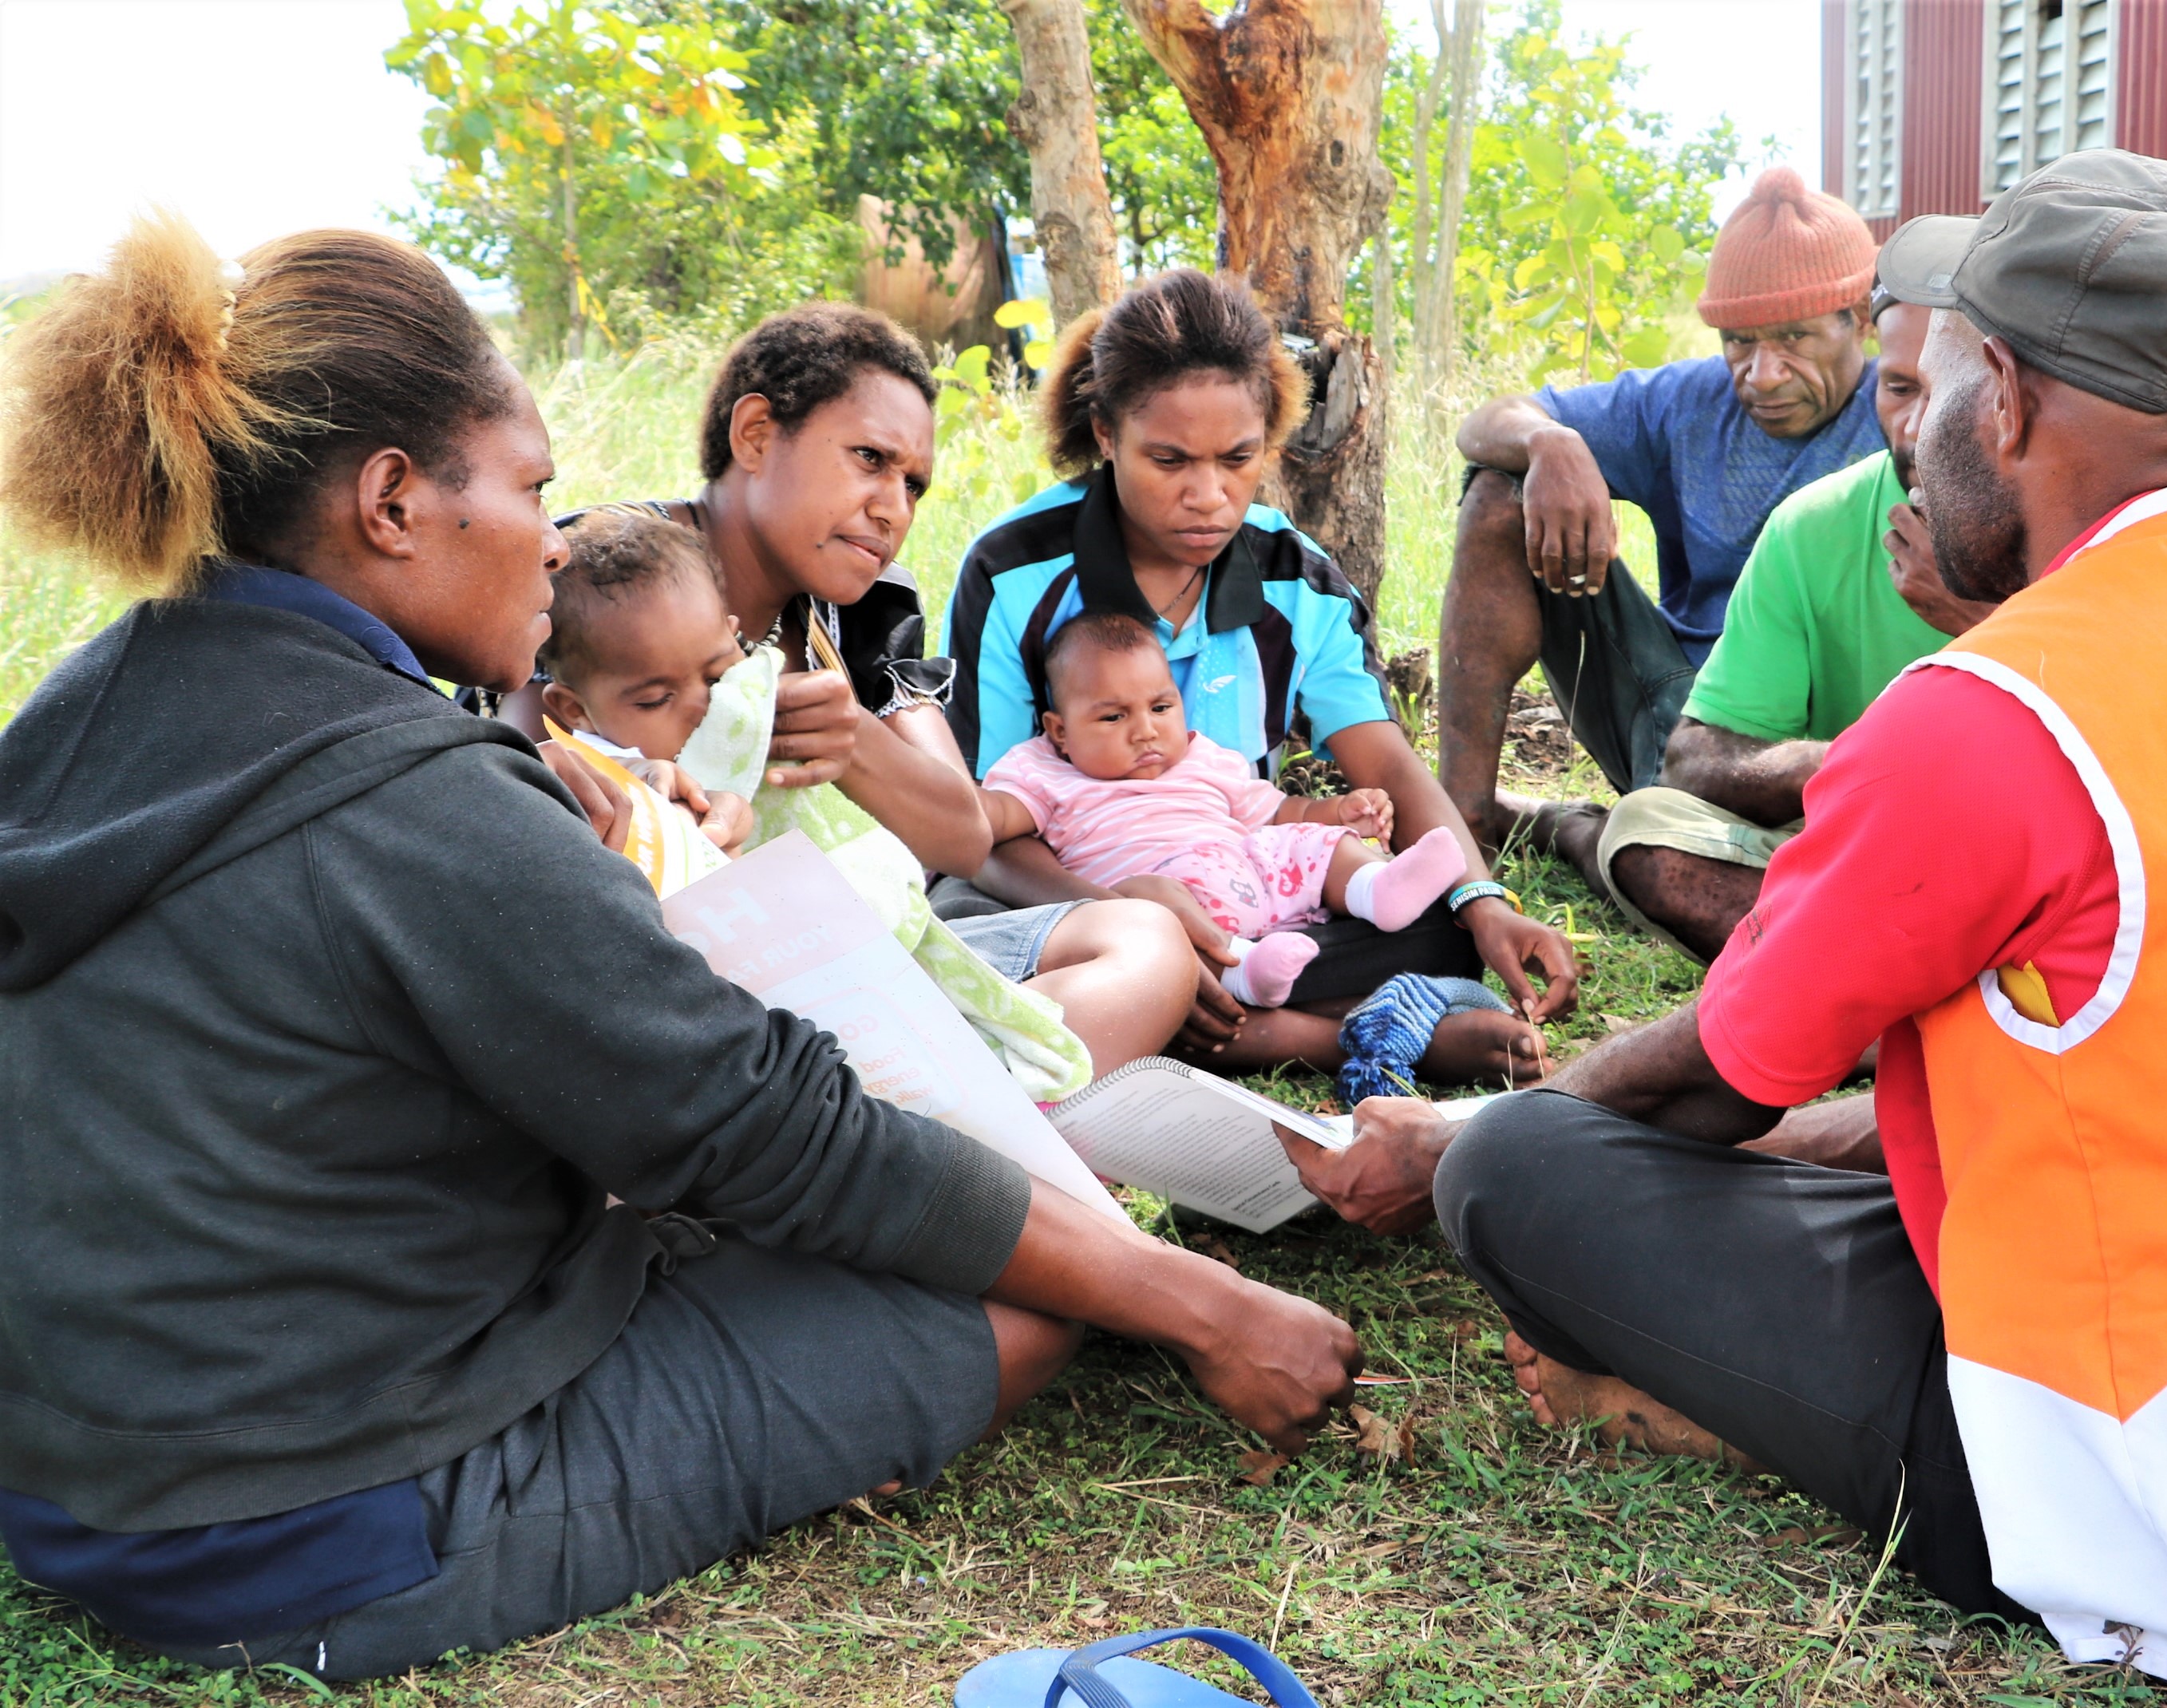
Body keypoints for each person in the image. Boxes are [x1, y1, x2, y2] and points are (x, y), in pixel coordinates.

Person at [0, 214, 1359, 1680]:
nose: (556, 541)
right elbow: (762, 1125)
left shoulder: (93, 707)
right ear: (392, 501)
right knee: (1030, 1294)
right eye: (533, 490)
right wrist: (1207, 1307)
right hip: (307, 1516)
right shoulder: (418, 791)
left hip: (75, 1464)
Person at [1291, 152, 2167, 1706]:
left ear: (2007, 403)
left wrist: (1455, 1134)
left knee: (1521, 1164)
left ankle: (1728, 1408)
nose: (1909, 438)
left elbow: (1708, 1086)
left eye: (1928, 393)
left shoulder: (1994, 711)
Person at [943, 268, 1577, 1083]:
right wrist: (1128, 923)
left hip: (1248, 901)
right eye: (1168, 459)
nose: (1208, 497)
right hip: (1071, 902)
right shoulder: (1012, 572)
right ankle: (1355, 1032)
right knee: (968, 937)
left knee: (1438, 916)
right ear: (1105, 434)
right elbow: (982, 835)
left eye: (1238, 459)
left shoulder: (1297, 578)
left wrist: (1483, 904)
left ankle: (1198, 1011)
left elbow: (1384, 765)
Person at [571, 303, 1201, 1076]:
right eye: (870, 458)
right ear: (757, 434)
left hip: (869, 954)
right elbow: (533, 770)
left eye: (914, 486)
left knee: (1148, 942)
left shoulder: (870, 608)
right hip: (690, 987)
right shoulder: (607, 567)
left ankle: (933, 1137)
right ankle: (959, 1144)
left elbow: (962, 835)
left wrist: (854, 741)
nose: (893, 508)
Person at [542, 505, 1096, 1099]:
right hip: (747, 1060)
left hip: (870, 993)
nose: (704, 706)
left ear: (736, 637)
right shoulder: (597, 788)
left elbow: (951, 846)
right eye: (655, 699)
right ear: (574, 711)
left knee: (1140, 948)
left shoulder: (814, 673)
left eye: (719, 671)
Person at [1435, 167, 1888, 885]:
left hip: (1814, 755)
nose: (1763, 373)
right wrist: (1551, 445)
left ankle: (1579, 832)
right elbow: (1488, 420)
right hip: (1677, 719)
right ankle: (1462, 822)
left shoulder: (1903, 413)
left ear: (1861, 320)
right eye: (1739, 340)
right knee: (1499, 489)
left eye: (1795, 337)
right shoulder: (1686, 403)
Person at [1593, 290, 1998, 960]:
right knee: (1647, 833)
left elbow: (2117, 756)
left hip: (2038, 855)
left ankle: (1867, 983)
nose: (1918, 426)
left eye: (1954, 390)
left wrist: (1976, 622)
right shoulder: (1815, 524)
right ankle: (1880, 988)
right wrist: (1854, 764)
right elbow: (1695, 760)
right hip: (1863, 852)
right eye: (1899, 388)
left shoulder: (2080, 520)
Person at [981, 612, 1471, 1010]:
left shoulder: (1204, 758)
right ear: (1060, 730)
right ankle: (1245, 972)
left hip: (1251, 874)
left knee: (1309, 843)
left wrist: (1340, 811)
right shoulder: (1042, 770)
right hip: (1171, 902)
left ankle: (1377, 890)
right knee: (1151, 903)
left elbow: (1279, 812)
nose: (1145, 731)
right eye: (1113, 716)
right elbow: (991, 822)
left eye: (1160, 708)